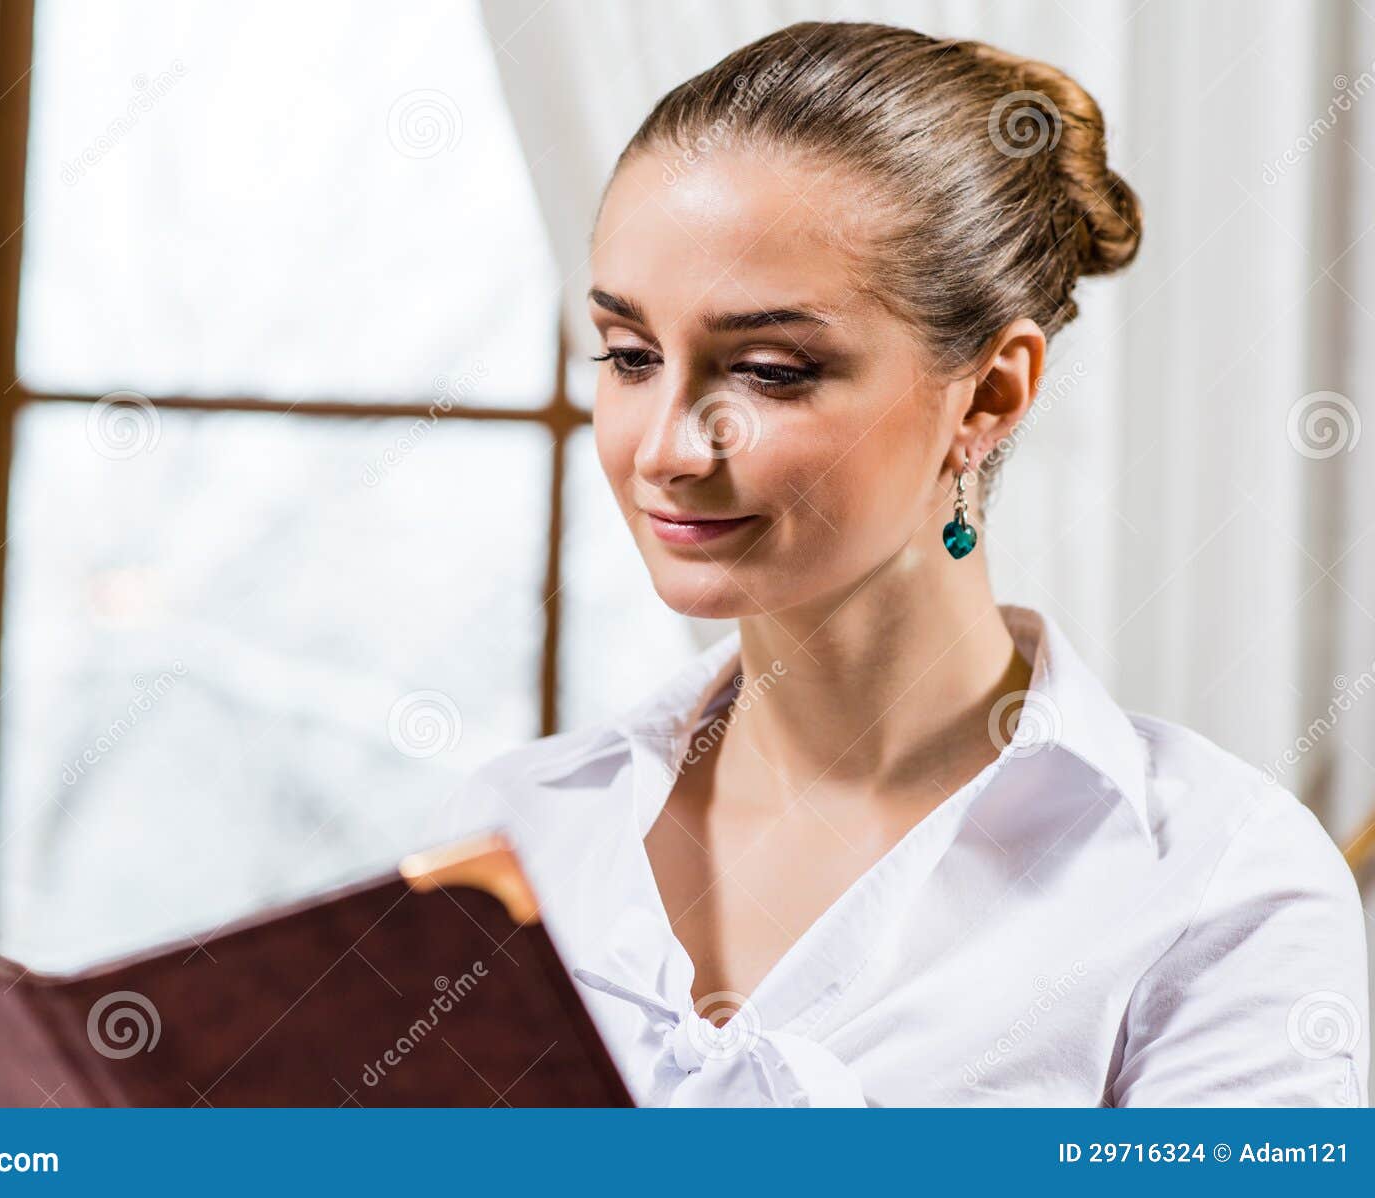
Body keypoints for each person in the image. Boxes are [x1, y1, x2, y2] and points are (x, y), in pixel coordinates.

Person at [432, 19, 1370, 1107]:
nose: (665, 448)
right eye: (630, 357)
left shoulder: (1221, 881)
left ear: (988, 395)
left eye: (771, 370)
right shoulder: (512, 837)